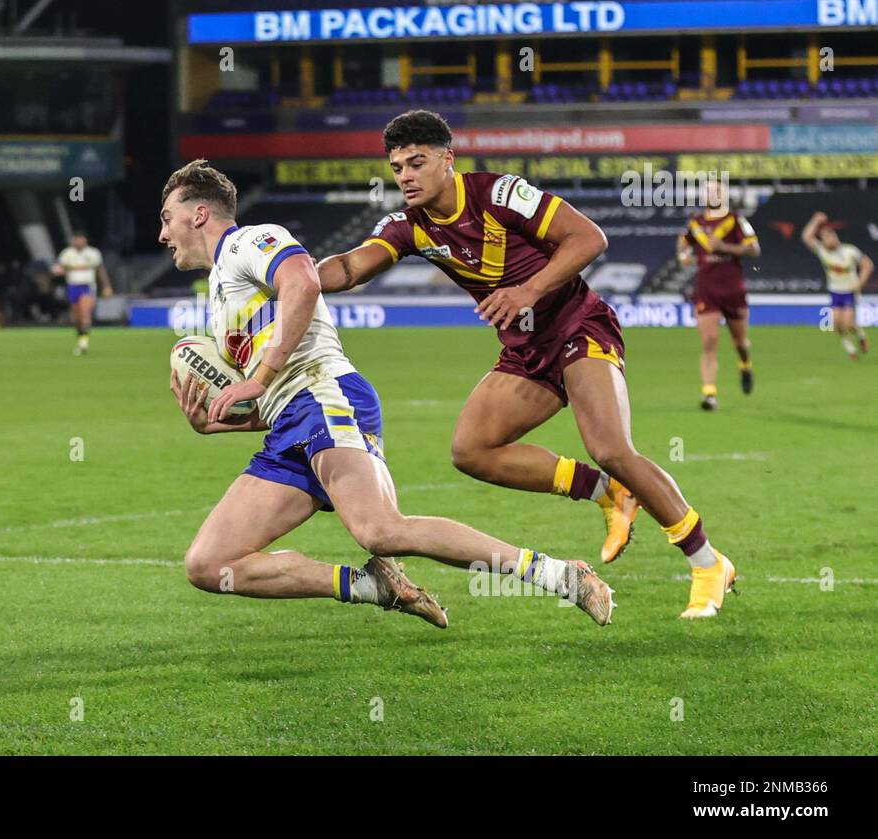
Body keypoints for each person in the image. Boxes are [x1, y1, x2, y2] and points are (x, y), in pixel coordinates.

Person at [160, 159, 616, 629]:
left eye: (166, 218)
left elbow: (303, 279)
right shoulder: (220, 291)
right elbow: (270, 395)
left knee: (381, 529)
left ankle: (562, 575)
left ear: (198, 214)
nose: (162, 234)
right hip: (291, 420)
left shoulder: (247, 243)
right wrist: (221, 418)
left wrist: (260, 375)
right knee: (210, 564)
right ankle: (374, 586)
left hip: (327, 396)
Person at [315, 111, 735, 620]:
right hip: (526, 351)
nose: (405, 176)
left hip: (579, 327)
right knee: (471, 450)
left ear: (448, 160)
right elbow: (350, 267)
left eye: (417, 162)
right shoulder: (408, 227)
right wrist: (287, 274)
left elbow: (589, 238)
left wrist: (528, 290)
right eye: (397, 166)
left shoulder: (499, 193)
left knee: (610, 447)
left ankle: (708, 562)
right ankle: (607, 491)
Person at [676, 178, 760, 410]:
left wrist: (725, 248)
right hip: (706, 290)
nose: (712, 195)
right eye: (709, 192)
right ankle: (709, 395)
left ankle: (745, 364)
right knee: (709, 342)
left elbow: (754, 248)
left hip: (733, 289)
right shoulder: (696, 223)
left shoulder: (735, 220)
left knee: (740, 342)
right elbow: (683, 242)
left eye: (717, 192)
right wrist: (683, 256)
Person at [802, 211, 872, 360]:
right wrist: (815, 221)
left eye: (830, 236)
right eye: (824, 238)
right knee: (836, 325)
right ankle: (851, 350)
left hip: (849, 291)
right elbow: (806, 237)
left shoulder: (849, 251)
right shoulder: (823, 251)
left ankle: (861, 335)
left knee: (848, 324)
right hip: (835, 292)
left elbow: (867, 265)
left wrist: (860, 282)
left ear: (835, 237)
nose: (828, 240)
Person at [52, 233, 113, 355]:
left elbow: (100, 271)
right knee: (76, 319)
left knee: (85, 313)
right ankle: (81, 339)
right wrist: (57, 271)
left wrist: (106, 286)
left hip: (87, 286)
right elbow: (59, 268)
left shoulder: (93, 253)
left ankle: (84, 343)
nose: (79, 241)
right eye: (77, 239)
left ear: (85, 240)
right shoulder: (67, 254)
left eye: (81, 239)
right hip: (72, 286)